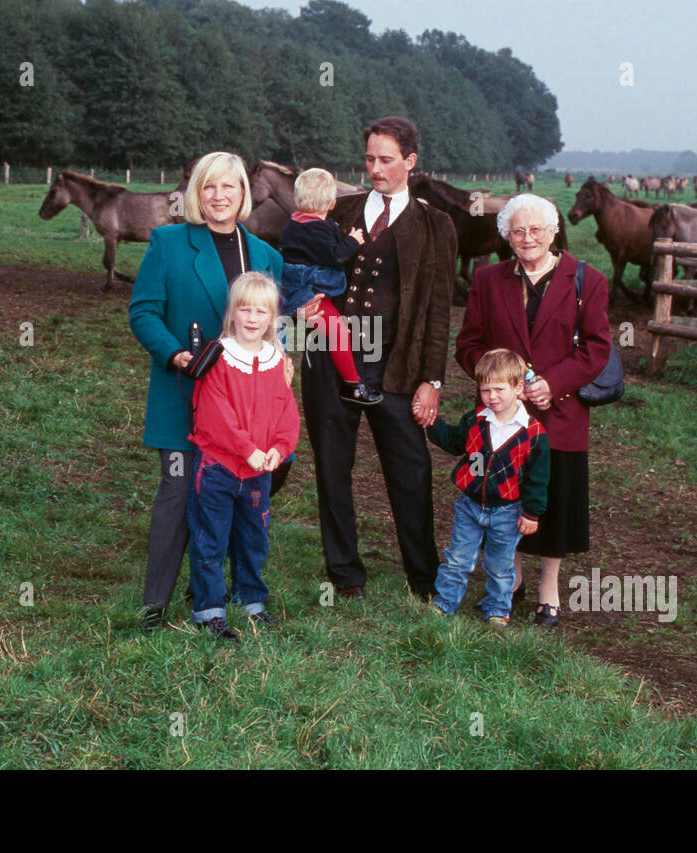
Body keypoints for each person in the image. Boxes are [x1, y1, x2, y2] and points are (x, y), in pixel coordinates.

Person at [301, 116, 458, 601]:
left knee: (410, 469)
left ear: (410, 161)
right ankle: (345, 572)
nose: (375, 168)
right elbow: (297, 263)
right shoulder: (337, 210)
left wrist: (432, 378)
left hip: (397, 362)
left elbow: (437, 310)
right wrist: (298, 303)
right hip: (328, 355)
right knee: (332, 465)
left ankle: (424, 577)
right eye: (369, 158)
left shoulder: (436, 225)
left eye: (386, 160)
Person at [128, 152, 283, 632]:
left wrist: (288, 354)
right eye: (209, 187)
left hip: (244, 413)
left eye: (229, 188)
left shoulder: (265, 255)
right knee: (178, 492)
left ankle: (217, 595)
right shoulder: (169, 243)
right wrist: (176, 355)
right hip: (183, 396)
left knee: (237, 498)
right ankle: (154, 602)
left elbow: (277, 322)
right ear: (196, 193)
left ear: (244, 195)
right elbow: (143, 312)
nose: (219, 196)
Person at [454, 193, 612, 627]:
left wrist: (553, 385)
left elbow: (598, 348)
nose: (527, 239)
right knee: (502, 495)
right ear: (506, 235)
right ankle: (512, 576)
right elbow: (467, 345)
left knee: (554, 499)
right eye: (518, 231)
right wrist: (496, 382)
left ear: (553, 231)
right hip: (502, 419)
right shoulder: (487, 280)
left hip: (559, 413)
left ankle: (549, 586)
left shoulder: (588, 280)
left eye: (536, 230)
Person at [187, 272, 300, 641]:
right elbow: (214, 414)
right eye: (244, 310)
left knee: (254, 537)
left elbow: (286, 412)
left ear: (272, 318)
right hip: (219, 467)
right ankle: (209, 609)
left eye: (261, 312)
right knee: (210, 538)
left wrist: (278, 450)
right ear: (232, 313)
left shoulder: (275, 360)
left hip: (258, 473)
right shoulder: (218, 356)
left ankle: (250, 598)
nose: (252, 319)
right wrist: (247, 449)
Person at [427, 349, 549, 626]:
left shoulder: (533, 433)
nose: (492, 397)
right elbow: (454, 441)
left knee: (499, 564)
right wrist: (432, 424)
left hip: (507, 511)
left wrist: (532, 513)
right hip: (469, 505)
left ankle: (497, 609)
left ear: (519, 388)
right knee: (457, 557)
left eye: (499, 389)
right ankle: (445, 601)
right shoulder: (477, 420)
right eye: (485, 390)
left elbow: (538, 479)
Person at [278, 167, 381, 407]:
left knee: (335, 334)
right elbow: (335, 256)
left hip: (299, 286)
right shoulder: (315, 228)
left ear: (296, 199)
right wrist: (353, 241)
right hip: (310, 292)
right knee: (339, 335)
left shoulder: (294, 222)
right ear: (332, 203)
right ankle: (353, 385)